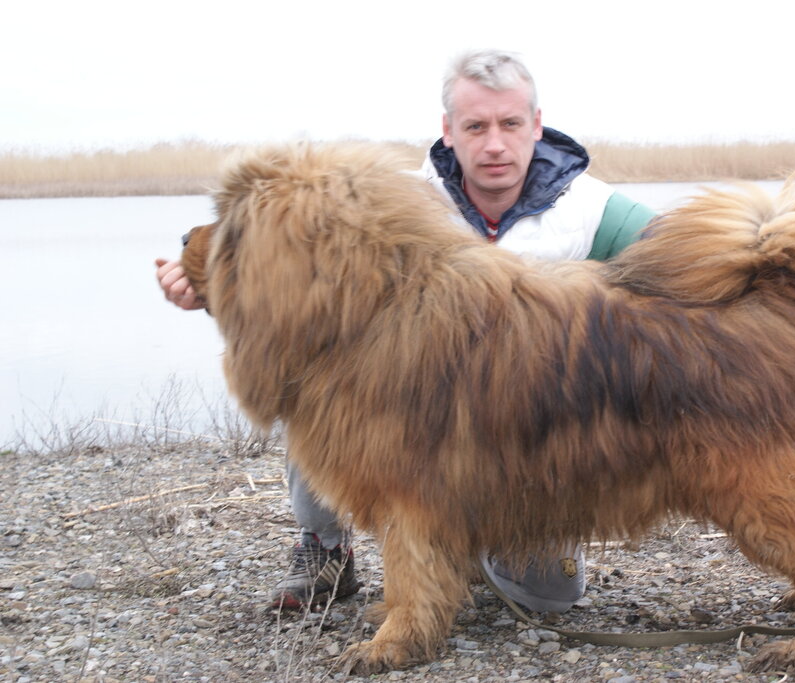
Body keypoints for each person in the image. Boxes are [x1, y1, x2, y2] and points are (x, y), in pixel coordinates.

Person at [155, 49, 655, 614]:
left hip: (522, 438)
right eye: (475, 126)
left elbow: (683, 271)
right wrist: (207, 289)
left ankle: (471, 543)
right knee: (318, 383)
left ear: (536, 125)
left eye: (510, 124)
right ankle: (325, 551)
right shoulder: (392, 205)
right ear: (448, 130)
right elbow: (288, 300)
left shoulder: (593, 208)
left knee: (547, 598)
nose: (494, 143)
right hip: (403, 422)